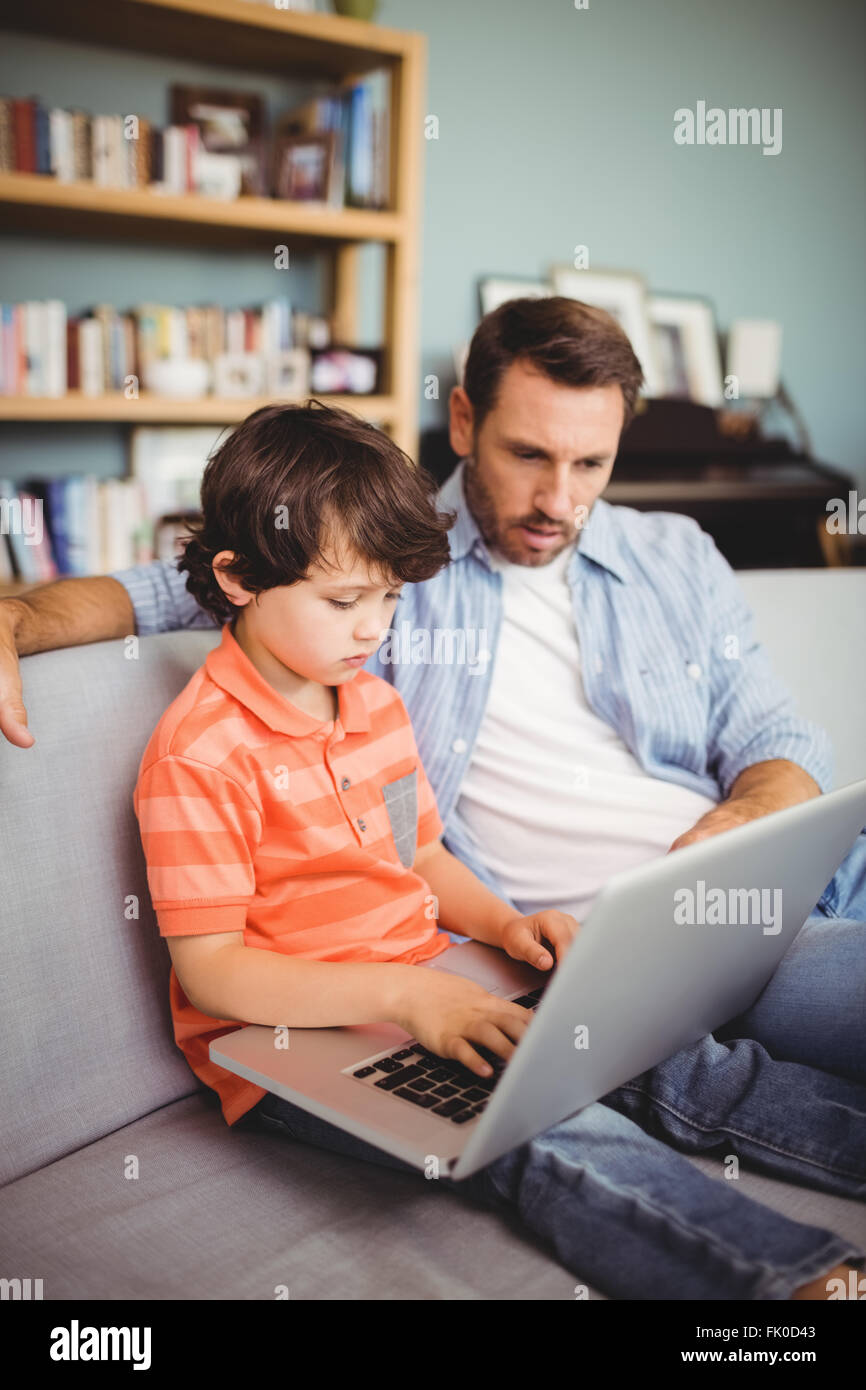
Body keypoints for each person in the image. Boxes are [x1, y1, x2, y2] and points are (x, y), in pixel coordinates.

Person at [2, 299, 864, 1298]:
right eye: (528, 454)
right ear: (462, 422)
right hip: (298, 1030)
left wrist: (505, 924)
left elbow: (419, 857)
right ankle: (790, 1283)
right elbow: (219, 974)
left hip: (461, 968)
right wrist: (18, 611)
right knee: (542, 1132)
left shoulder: (369, 693)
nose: (374, 628)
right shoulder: (207, 743)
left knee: (686, 1066)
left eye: (590, 465)